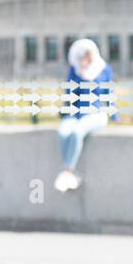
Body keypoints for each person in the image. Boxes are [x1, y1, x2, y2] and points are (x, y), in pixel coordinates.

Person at [54, 38, 117, 192]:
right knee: (62, 133)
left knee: (77, 133)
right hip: (75, 114)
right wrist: (80, 74)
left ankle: (67, 172)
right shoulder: (74, 70)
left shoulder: (103, 69)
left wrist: (115, 116)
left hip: (96, 113)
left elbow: (109, 94)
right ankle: (70, 173)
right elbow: (69, 93)